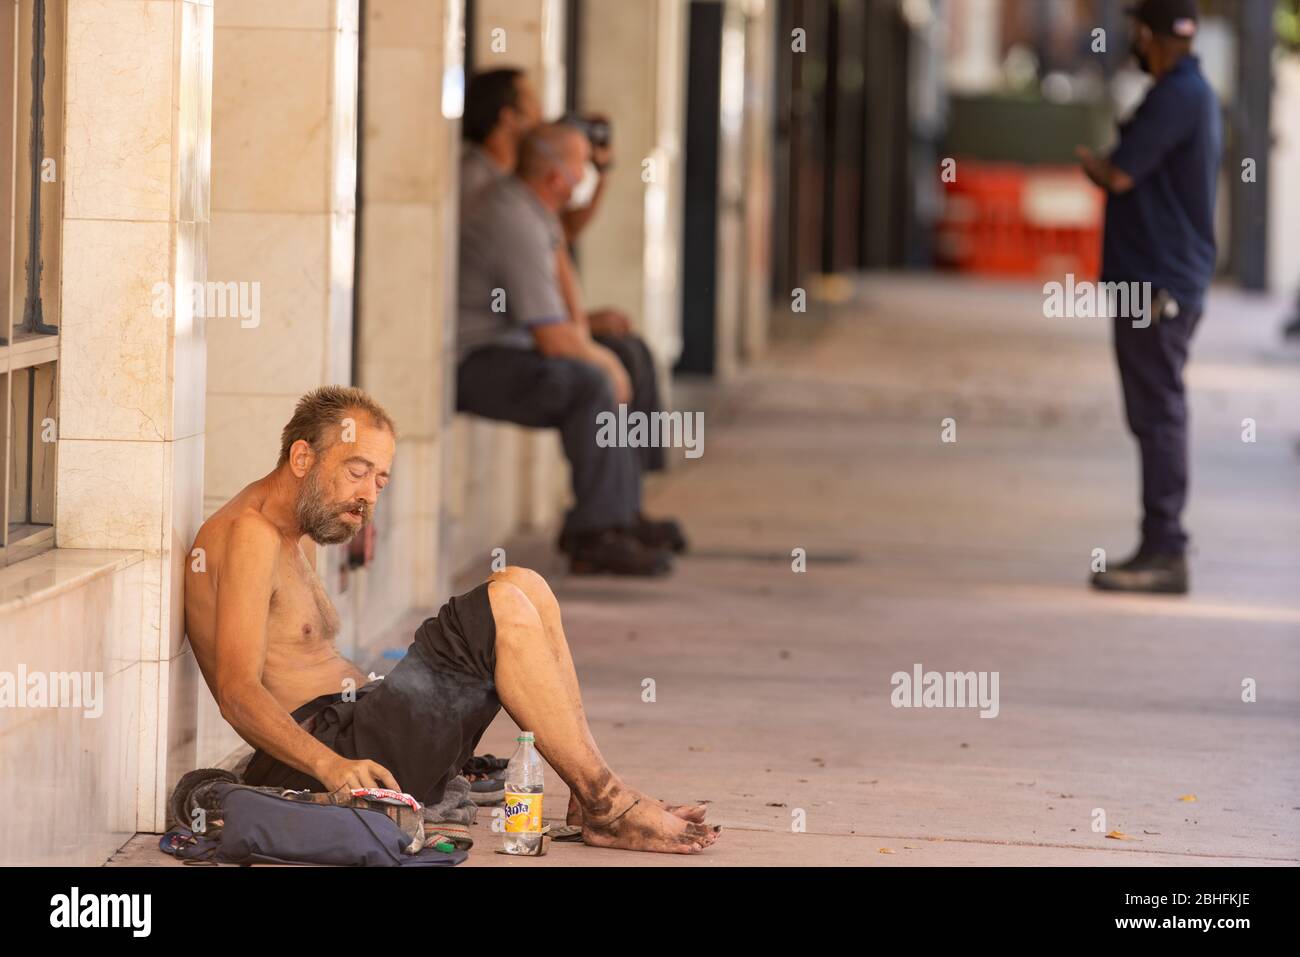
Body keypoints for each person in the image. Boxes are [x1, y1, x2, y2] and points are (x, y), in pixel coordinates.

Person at [182, 386, 719, 854]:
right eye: (356, 472)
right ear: (302, 458)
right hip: (321, 755)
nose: (369, 495)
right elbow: (237, 692)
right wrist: (330, 768)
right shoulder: (248, 535)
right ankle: (609, 804)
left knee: (525, 584)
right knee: (499, 608)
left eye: (380, 482)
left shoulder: (291, 535)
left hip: (359, 725)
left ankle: (590, 793)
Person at [457, 124, 683, 575]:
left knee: (631, 350)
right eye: (582, 164)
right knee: (591, 380)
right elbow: (553, 338)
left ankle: (624, 509)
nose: (588, 173)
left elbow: (562, 314)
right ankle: (594, 534)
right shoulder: (512, 217)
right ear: (557, 177)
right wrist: (603, 361)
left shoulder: (536, 210)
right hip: (476, 363)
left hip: (516, 346)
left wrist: (598, 339)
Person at [460, 69, 676, 482]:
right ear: (509, 118)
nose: (544, 115)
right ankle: (605, 522)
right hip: (489, 343)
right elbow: (548, 247)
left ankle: (629, 499)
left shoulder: (520, 189)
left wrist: (600, 173)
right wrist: (575, 336)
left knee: (630, 350)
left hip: (522, 325)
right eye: (533, 106)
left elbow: (559, 234)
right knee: (596, 376)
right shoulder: (488, 186)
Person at [1076, 0, 1222, 594]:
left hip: (1157, 285)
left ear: (1151, 35)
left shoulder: (1175, 96)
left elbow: (1121, 173)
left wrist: (1095, 163)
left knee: (1158, 414)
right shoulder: (1190, 93)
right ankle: (1159, 544)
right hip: (1162, 278)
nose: (1132, 40)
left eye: (1137, 30)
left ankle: (1166, 550)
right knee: (1155, 413)